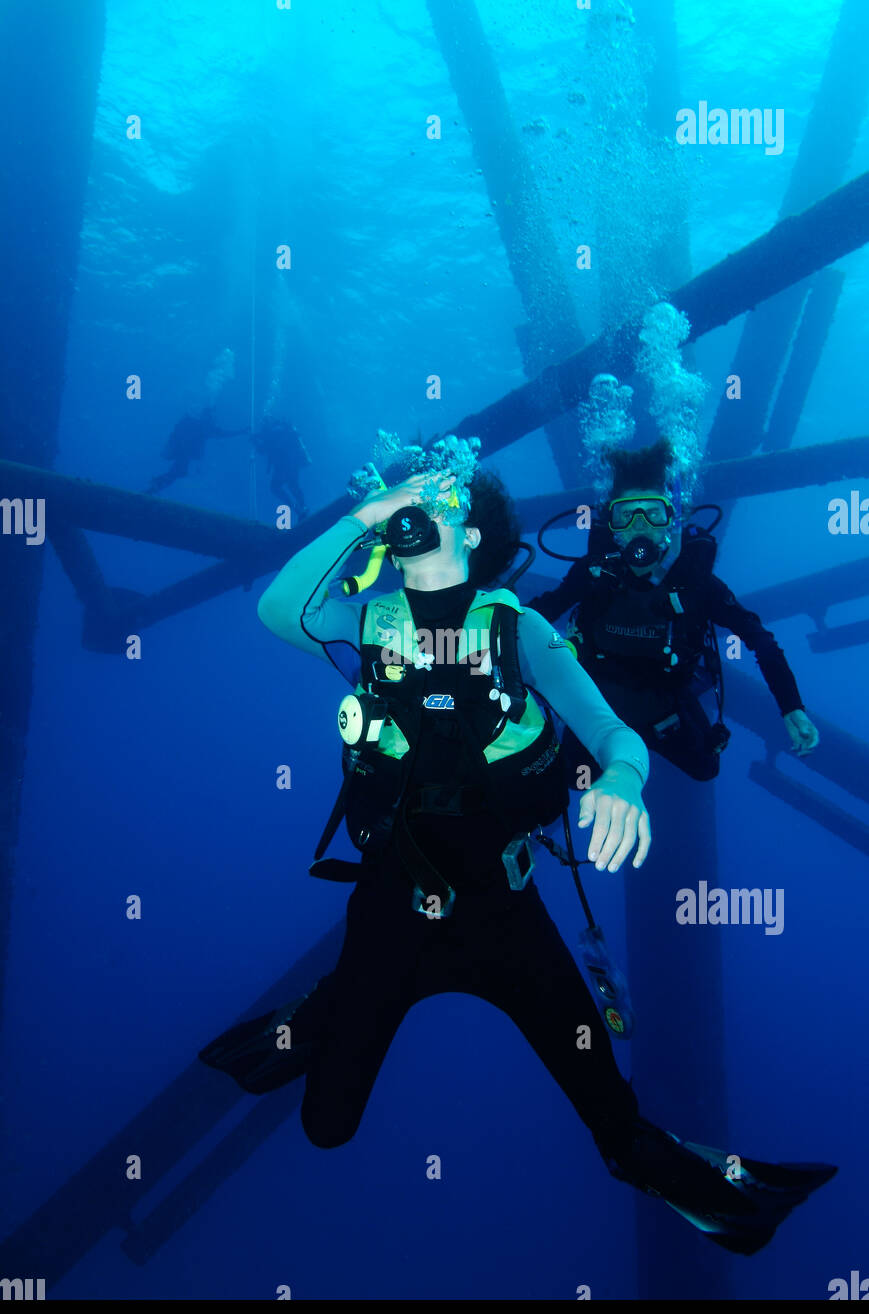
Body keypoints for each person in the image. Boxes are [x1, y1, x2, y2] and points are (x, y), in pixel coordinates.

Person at [200, 440, 834, 1254]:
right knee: (326, 1130)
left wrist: (623, 783)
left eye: (441, 509)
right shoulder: (368, 621)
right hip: (390, 906)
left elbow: (611, 732)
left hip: (504, 912)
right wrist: (366, 513)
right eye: (409, 510)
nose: (420, 517)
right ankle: (325, 1011)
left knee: (612, 1114)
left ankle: (671, 1172)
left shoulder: (521, 626)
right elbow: (278, 608)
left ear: (471, 540)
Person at [531, 439, 820, 781]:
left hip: (667, 709)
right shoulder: (594, 575)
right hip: (600, 710)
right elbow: (540, 612)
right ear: (612, 524)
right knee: (571, 781)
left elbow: (760, 639)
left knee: (706, 770)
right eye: (627, 515)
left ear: (671, 519)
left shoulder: (696, 583)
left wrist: (792, 706)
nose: (640, 525)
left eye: (652, 513)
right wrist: (484, 622)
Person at [145, 406, 246, 495]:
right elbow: (222, 434)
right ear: (208, 417)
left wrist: (241, 432)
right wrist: (241, 432)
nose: (213, 421)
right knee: (177, 473)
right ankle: (154, 486)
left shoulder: (197, 424)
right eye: (212, 418)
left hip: (182, 452)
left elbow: (221, 433)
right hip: (184, 453)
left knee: (177, 473)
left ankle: (154, 487)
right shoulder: (205, 427)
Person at [252, 413, 312, 520]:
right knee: (291, 486)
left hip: (286, 464)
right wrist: (256, 439)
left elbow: (264, 447)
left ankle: (300, 509)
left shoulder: (276, 431)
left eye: (264, 423)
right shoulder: (278, 431)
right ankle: (302, 509)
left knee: (278, 487)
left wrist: (254, 440)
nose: (263, 426)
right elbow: (266, 445)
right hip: (291, 463)